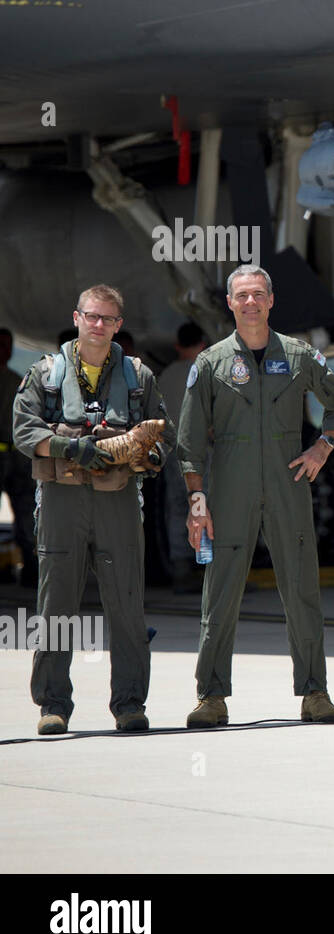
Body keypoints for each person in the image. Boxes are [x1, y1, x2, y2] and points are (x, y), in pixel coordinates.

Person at [178, 264, 334, 728]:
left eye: (258, 294)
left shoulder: (299, 356)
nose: (250, 302)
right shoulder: (211, 363)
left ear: (271, 301)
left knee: (302, 589)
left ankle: (315, 692)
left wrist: (323, 445)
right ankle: (211, 697)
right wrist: (198, 503)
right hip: (229, 490)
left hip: (287, 486)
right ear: (231, 304)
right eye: (242, 296)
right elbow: (190, 443)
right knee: (220, 594)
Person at [12, 286, 172, 734]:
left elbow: (164, 434)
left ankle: (129, 705)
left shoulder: (138, 377)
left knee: (126, 606)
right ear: (77, 318)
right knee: (56, 605)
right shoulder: (44, 375)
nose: (98, 324)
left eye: (108, 318)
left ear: (119, 324)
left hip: (118, 499)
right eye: (91, 316)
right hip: (62, 501)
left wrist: (147, 455)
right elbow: (24, 431)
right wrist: (71, 447)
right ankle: (53, 705)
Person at [157, 322, 208, 589]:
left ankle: (181, 568)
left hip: (173, 454)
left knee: (178, 508)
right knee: (204, 507)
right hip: (200, 456)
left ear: (178, 345)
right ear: (203, 344)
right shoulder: (204, 372)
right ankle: (208, 567)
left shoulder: (165, 375)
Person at [0, 328, 38, 586]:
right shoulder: (16, 381)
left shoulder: (18, 381)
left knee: (27, 515)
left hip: (18, 456)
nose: (5, 350)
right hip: (9, 455)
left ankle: (31, 567)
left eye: (7, 345)